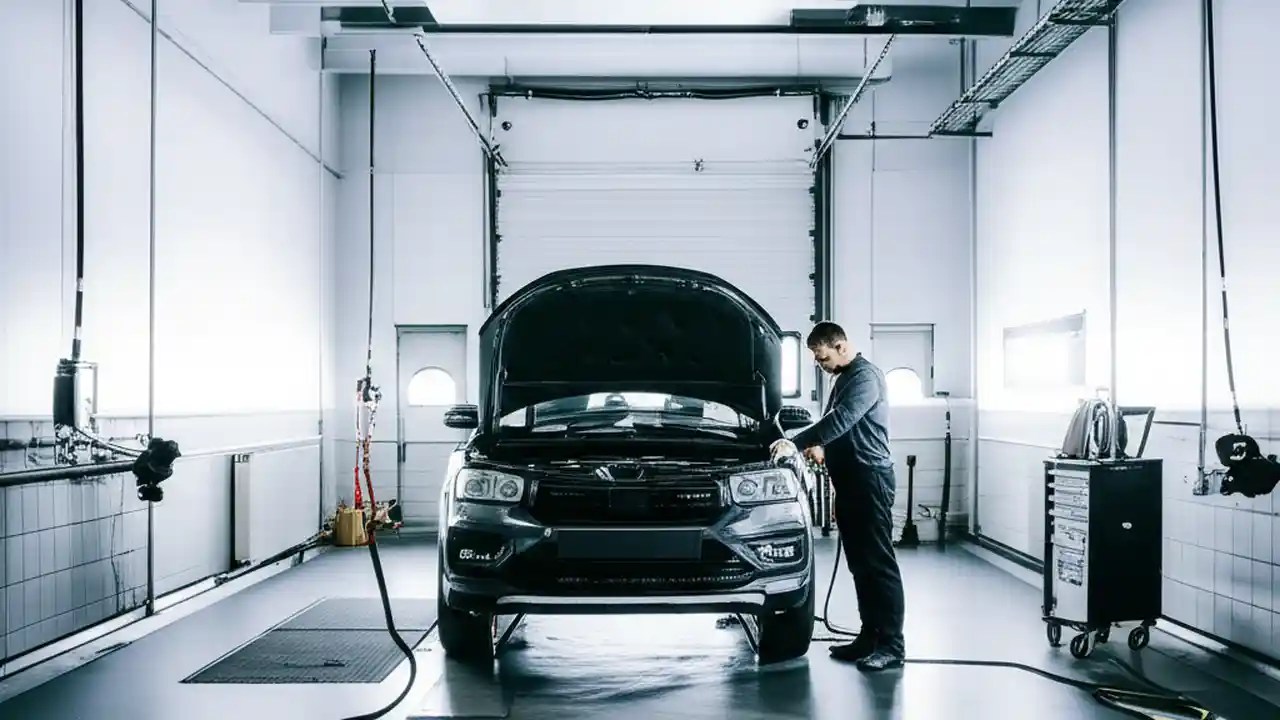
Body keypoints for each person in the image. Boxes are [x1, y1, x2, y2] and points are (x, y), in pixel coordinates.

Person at [772, 321, 905, 671]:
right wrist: (822, 449)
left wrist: (797, 441)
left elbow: (843, 419)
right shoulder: (843, 378)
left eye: (822, 357)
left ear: (841, 346)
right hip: (850, 479)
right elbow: (840, 425)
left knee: (878, 564)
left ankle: (892, 644)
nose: (820, 364)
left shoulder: (865, 377)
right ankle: (869, 637)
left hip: (870, 479)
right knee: (860, 564)